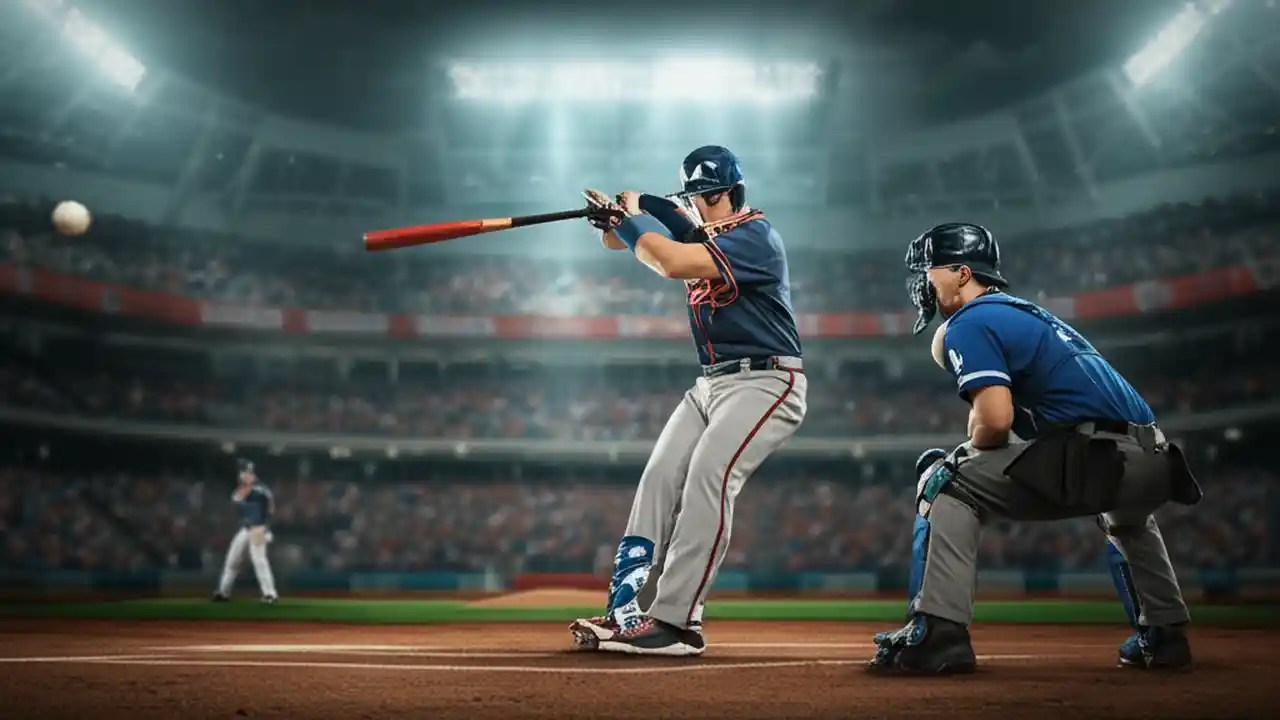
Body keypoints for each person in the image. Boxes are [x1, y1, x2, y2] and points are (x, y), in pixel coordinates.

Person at [867, 222, 1202, 674]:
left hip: (1098, 457)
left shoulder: (970, 320)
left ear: (962, 274)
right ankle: (1163, 635)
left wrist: (964, 452)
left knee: (944, 480)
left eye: (929, 270)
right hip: (1157, 459)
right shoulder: (1029, 314)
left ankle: (938, 633)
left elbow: (995, 421)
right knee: (1128, 519)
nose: (923, 282)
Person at [570, 145, 807, 656]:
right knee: (658, 477)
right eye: (697, 196)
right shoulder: (702, 232)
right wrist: (614, 220)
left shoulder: (754, 236)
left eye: (713, 194)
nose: (705, 204)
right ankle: (624, 608)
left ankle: (678, 622)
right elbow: (627, 242)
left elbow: (670, 261)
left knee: (709, 477)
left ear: (734, 193)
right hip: (710, 384)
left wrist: (633, 215)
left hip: (767, 380)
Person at [212, 458, 279, 604]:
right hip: (246, 529)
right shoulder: (237, 493)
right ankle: (223, 592)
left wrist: (266, 528)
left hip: (258, 529)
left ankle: (270, 594)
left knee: (259, 560)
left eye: (248, 472)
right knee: (232, 560)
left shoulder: (261, 491)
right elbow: (238, 502)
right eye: (243, 472)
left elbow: (270, 509)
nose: (245, 475)